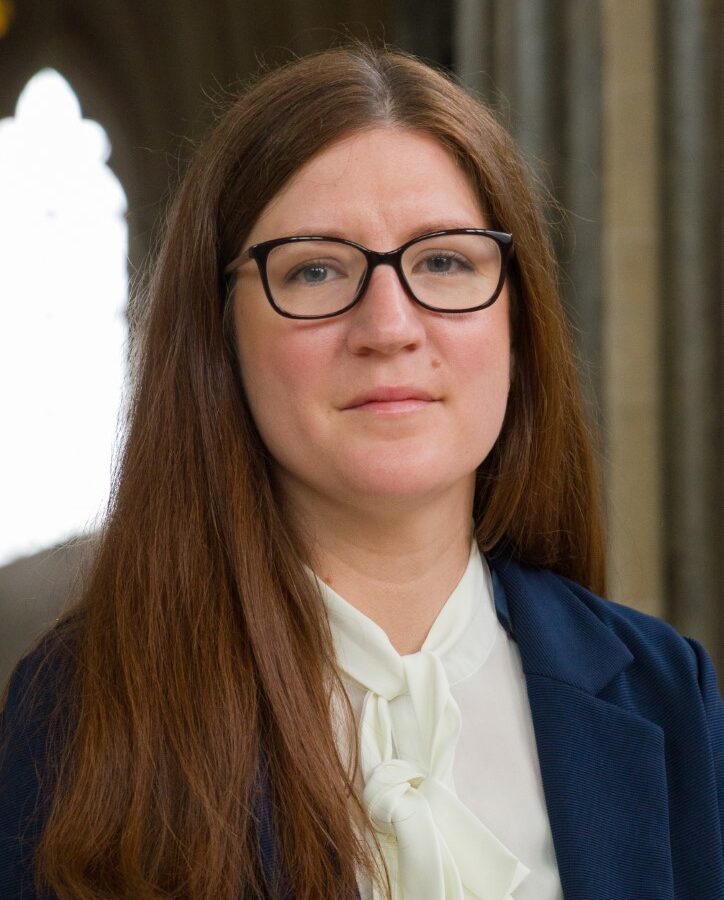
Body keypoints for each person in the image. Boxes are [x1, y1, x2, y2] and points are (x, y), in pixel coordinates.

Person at [0, 43, 721, 900]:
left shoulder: (665, 696)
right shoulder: (76, 714)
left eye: (445, 261)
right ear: (218, 336)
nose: (390, 325)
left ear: (518, 325)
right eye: (314, 269)